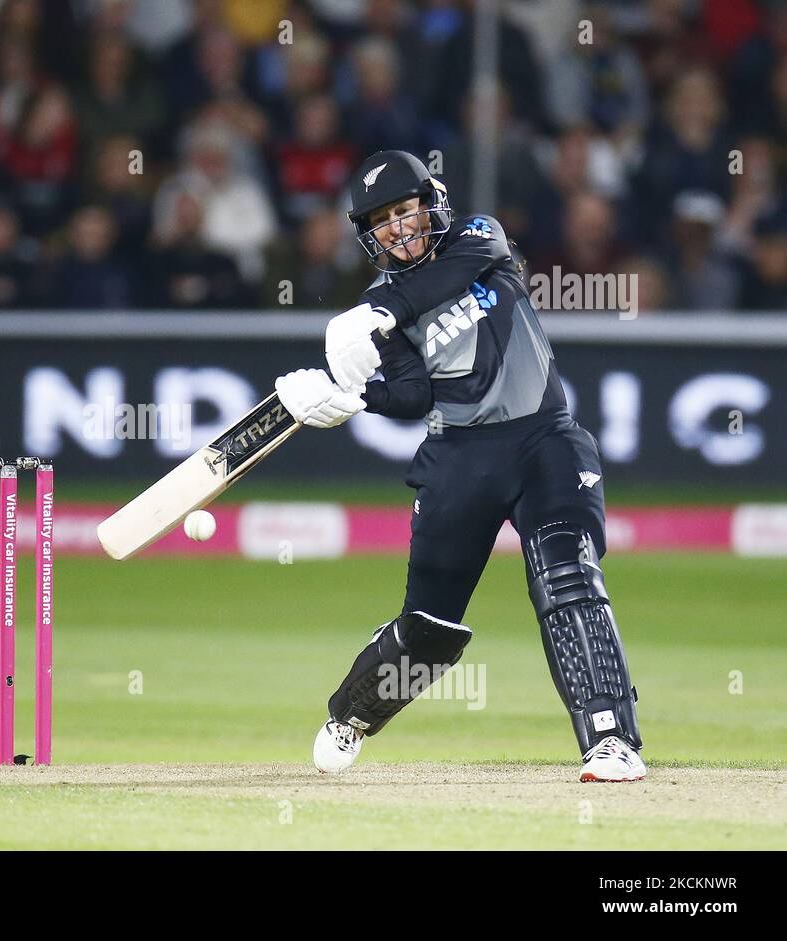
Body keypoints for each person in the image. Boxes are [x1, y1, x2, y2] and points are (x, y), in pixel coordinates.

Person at [274, 150, 645, 783]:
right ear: (369, 235)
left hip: (544, 441)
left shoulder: (481, 236)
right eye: (382, 220)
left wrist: (385, 312)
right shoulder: (378, 306)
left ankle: (610, 741)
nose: (397, 227)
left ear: (430, 202)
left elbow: (454, 273)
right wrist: (353, 399)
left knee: (567, 577)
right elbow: (414, 394)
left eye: (404, 209)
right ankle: (352, 714)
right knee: (429, 631)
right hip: (459, 462)